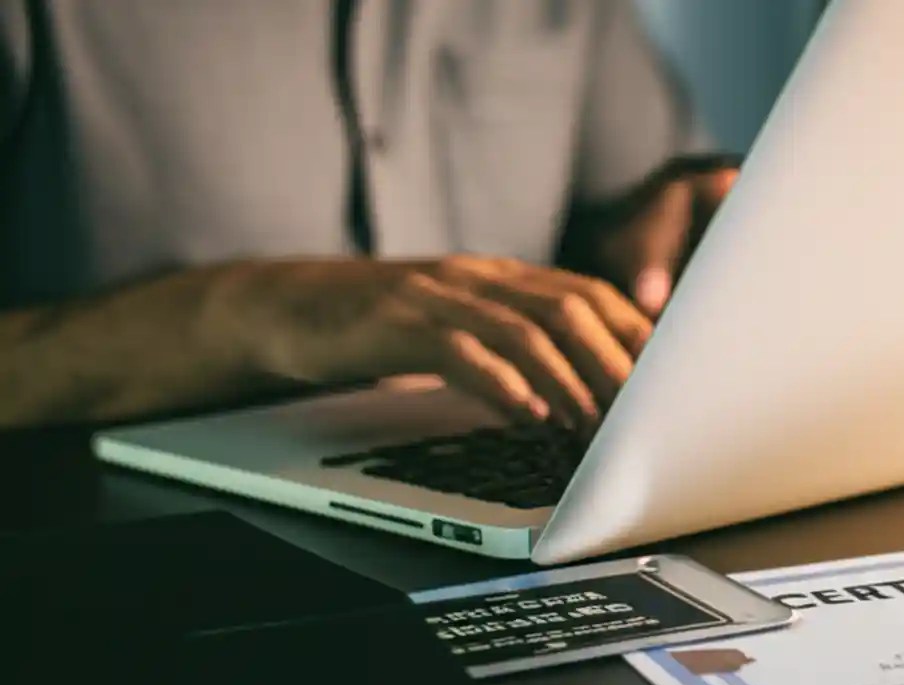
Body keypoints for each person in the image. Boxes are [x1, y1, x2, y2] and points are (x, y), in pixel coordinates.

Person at [0, 0, 738, 429]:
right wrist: (249, 315)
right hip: (112, 580)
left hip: (518, 498)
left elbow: (631, 216)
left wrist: (678, 235)